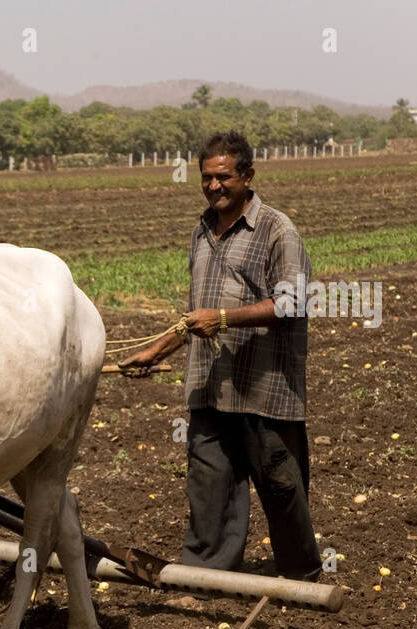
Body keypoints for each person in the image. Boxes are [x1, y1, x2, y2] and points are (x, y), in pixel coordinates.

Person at [119, 130, 321, 583]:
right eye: (207, 178)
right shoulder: (201, 232)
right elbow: (197, 317)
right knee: (209, 491)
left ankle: (301, 579)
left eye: (224, 177)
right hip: (210, 387)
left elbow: (291, 304)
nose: (214, 187)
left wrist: (225, 320)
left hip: (264, 390)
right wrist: (157, 349)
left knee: (281, 488)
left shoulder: (276, 230)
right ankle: (204, 579)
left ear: (248, 176)